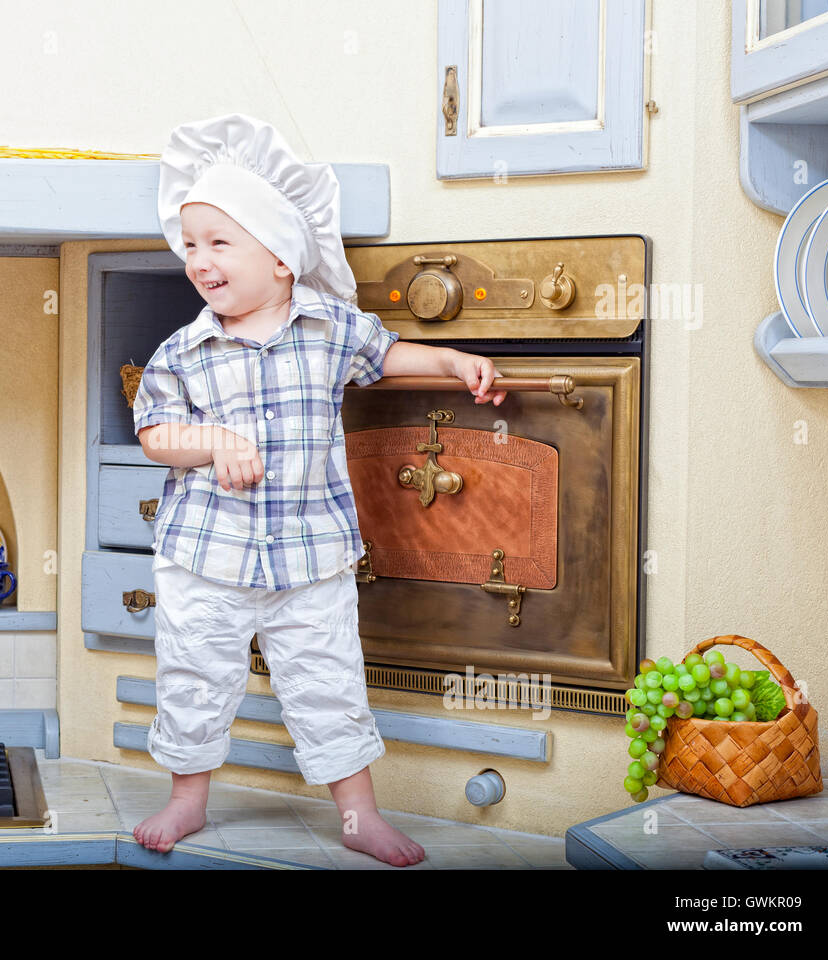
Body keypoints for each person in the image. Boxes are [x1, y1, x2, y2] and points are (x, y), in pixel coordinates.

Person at [130, 114, 506, 867]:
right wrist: (212, 444)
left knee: (329, 682)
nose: (198, 259)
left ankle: (359, 815)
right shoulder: (184, 351)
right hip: (209, 556)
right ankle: (187, 799)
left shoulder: (329, 328)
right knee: (195, 678)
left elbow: (391, 355)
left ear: (279, 257)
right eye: (190, 244)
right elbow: (155, 435)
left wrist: (453, 362)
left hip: (311, 556)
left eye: (218, 241)